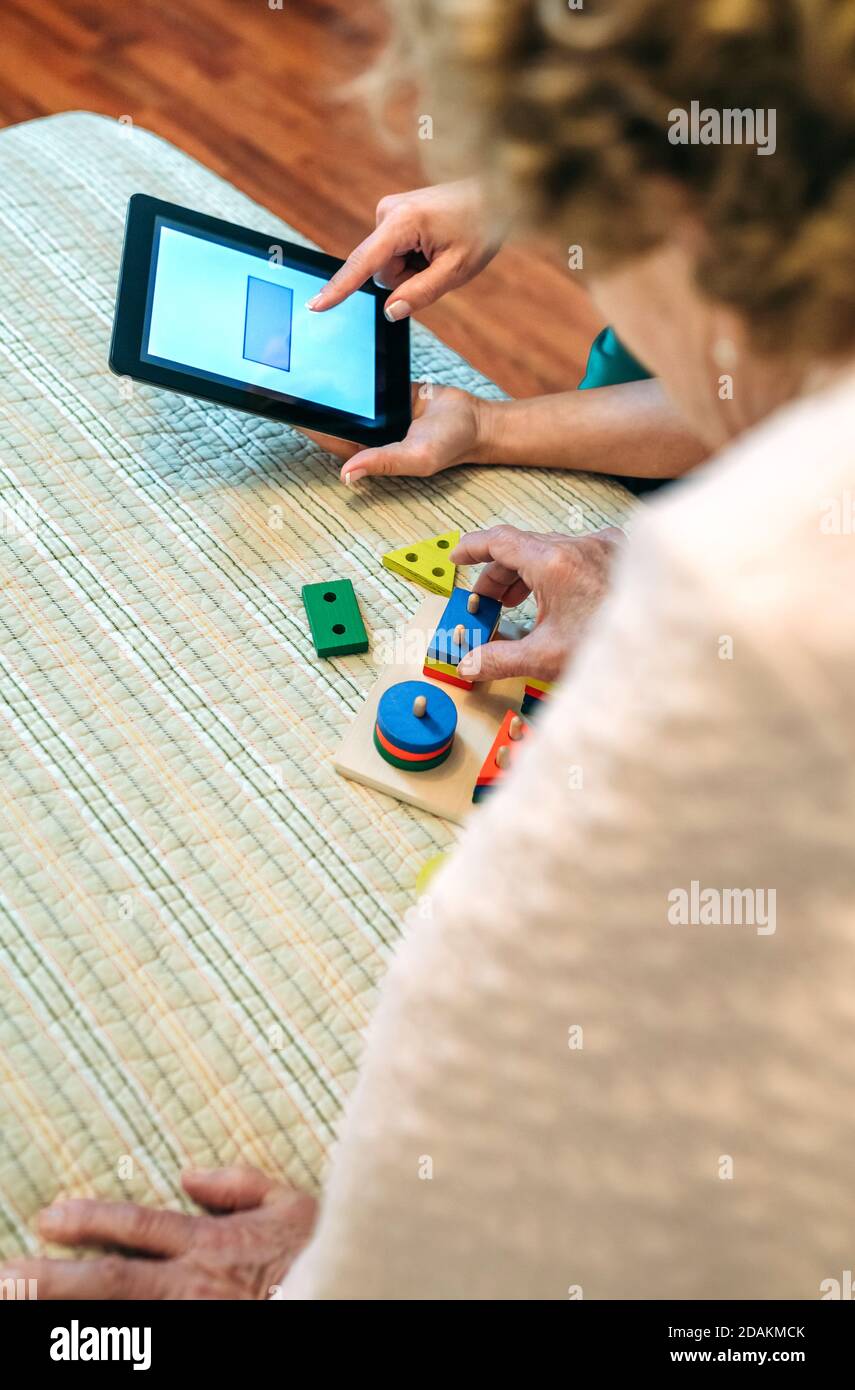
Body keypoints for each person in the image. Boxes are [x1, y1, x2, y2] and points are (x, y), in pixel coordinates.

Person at [4, 0, 854, 1298]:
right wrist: (504, 432)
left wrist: (331, 1272)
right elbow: (781, 373)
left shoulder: (760, 620)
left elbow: (513, 1117)